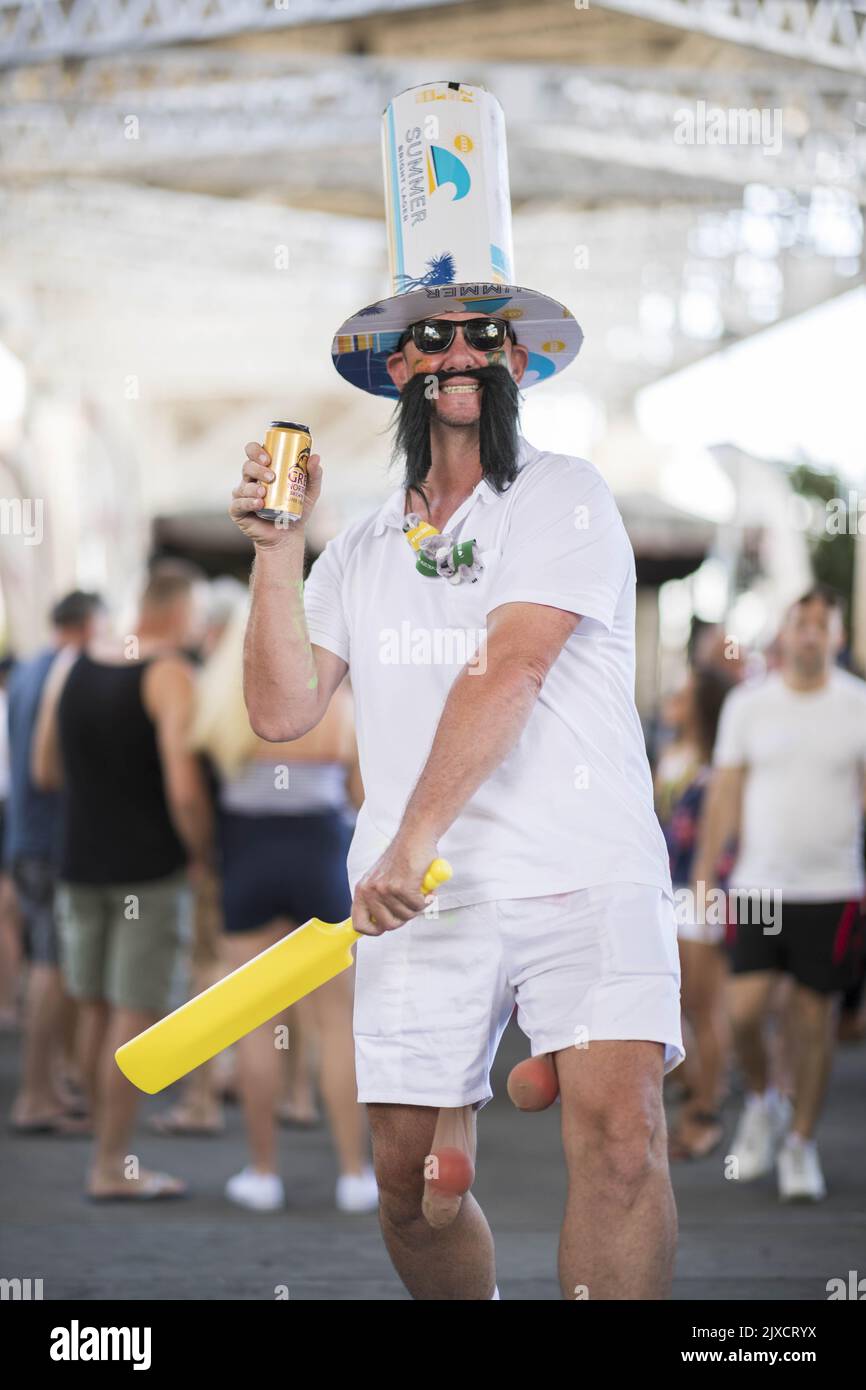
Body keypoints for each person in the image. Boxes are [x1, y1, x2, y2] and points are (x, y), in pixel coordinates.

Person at [230, 306, 683, 1299]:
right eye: (433, 338)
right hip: (419, 898)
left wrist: (412, 836)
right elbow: (280, 710)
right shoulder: (358, 545)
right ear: (400, 367)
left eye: (484, 332)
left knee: (621, 1141)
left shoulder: (563, 494)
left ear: (517, 358)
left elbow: (509, 666)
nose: (461, 353)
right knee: (409, 1186)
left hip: (581, 864)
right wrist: (276, 550)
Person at [188, 595, 376, 1213]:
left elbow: (194, 798)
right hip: (319, 863)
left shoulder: (222, 702)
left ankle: (263, 1173)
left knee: (255, 1021)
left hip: (247, 864)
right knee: (336, 1025)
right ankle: (354, 1175)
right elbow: (361, 797)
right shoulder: (336, 703)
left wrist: (204, 860)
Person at [31, 562, 213, 1199]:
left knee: (94, 1007)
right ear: (180, 611)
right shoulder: (170, 674)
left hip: (79, 862)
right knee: (134, 1016)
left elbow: (44, 768)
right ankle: (112, 1166)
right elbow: (184, 790)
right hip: (147, 871)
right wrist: (203, 854)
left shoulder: (74, 664)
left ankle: (103, 1152)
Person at [694, 585, 866, 1200]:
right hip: (760, 886)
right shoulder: (750, 704)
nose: (811, 633)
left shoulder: (857, 705)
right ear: (784, 633)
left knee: (814, 1019)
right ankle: (763, 1101)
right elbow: (725, 794)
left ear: (837, 636)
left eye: (823, 624)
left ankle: (799, 1143)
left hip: (832, 888)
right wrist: (705, 874)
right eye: (801, 622)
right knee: (743, 1013)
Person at [4, 592, 104, 1132]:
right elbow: (50, 769)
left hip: (28, 837)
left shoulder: (26, 670)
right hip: (50, 840)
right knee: (51, 964)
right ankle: (36, 1096)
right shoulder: (61, 672)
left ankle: (51, 1085)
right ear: (87, 625)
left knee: (53, 963)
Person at [655, 666, 735, 1159]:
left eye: (682, 694)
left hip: (705, 890)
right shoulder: (672, 753)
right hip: (670, 885)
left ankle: (706, 1112)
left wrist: (707, 889)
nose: (673, 699)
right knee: (678, 1001)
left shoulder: (721, 761)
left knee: (706, 1007)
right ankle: (692, 1093)